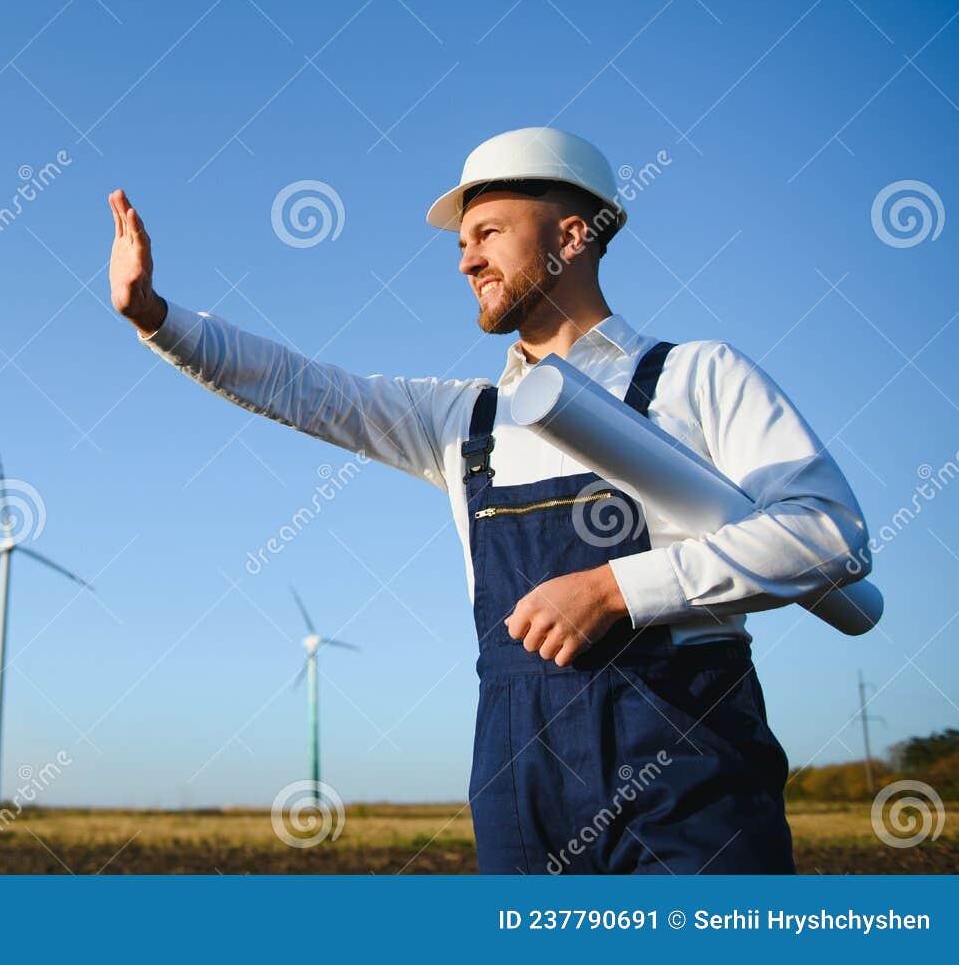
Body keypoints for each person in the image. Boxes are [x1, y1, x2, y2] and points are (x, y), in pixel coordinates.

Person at [106, 126, 872, 874]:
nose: (467, 259)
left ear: (572, 235)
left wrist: (614, 590)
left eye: (489, 232)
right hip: (520, 774)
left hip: (684, 767)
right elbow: (302, 388)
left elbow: (830, 534)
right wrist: (156, 318)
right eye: (462, 242)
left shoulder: (697, 376)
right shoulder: (463, 417)